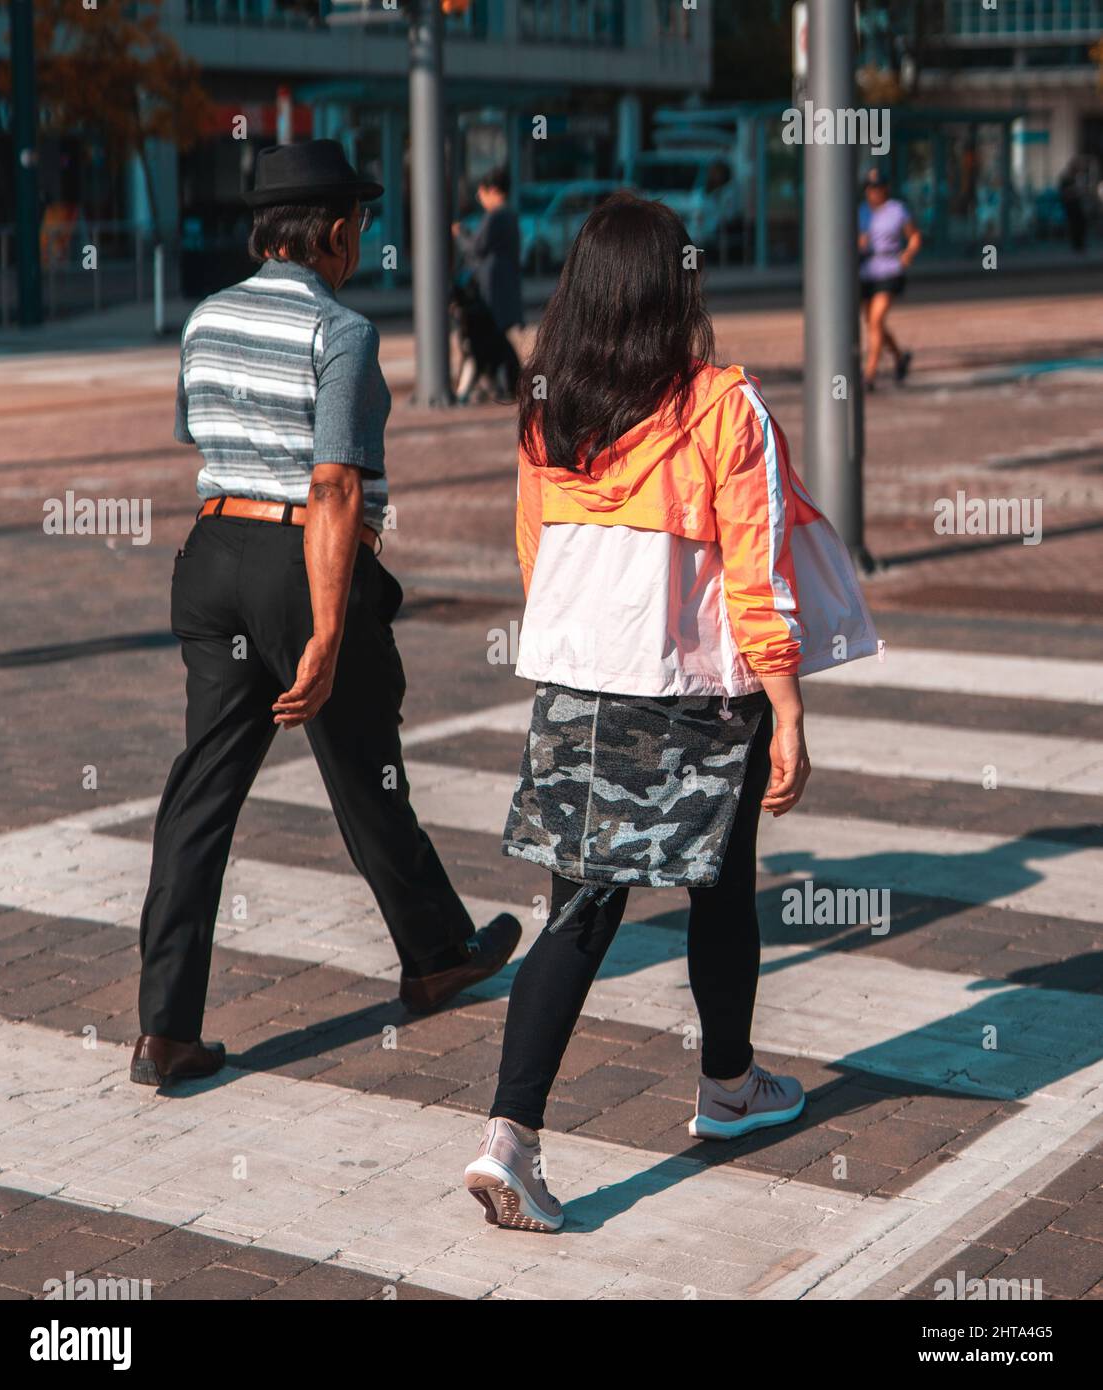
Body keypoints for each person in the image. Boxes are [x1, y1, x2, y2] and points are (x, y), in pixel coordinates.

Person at [462, 191, 878, 1233]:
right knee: (718, 886)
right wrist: (787, 708)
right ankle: (712, 1087)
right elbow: (758, 575)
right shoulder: (723, 408)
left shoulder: (549, 405)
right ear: (673, 287)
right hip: (692, 694)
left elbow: (533, 549)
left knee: (579, 908)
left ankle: (526, 1133)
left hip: (574, 679)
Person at [131, 140, 520, 1089]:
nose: (363, 241)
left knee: (199, 796)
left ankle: (164, 1029)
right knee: (365, 770)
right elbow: (335, 485)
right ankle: (434, 958)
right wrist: (328, 631)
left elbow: (203, 434)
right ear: (336, 232)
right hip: (297, 560)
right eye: (362, 225)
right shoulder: (339, 332)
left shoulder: (204, 319)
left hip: (211, 554)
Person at [452, 168, 523, 400]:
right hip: (503, 285)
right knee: (497, 339)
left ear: (493, 191)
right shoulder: (509, 216)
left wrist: (460, 233)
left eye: (481, 192)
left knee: (492, 339)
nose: (479, 198)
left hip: (492, 289)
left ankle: (505, 385)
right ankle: (503, 384)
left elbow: (476, 248)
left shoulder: (497, 216)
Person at [858, 168, 921, 391]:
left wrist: (907, 254)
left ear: (885, 189)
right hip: (867, 271)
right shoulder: (862, 211)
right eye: (870, 188)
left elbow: (914, 236)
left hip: (889, 269)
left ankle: (870, 374)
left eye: (877, 188)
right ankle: (899, 356)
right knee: (874, 323)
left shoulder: (897, 210)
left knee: (876, 320)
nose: (873, 193)